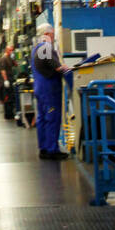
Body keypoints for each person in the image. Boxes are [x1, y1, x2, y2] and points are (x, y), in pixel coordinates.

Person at [32, 19, 68, 160]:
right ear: (47, 34)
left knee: (42, 119)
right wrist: (67, 68)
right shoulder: (45, 47)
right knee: (52, 118)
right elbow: (56, 66)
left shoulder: (36, 48)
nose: (53, 37)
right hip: (49, 89)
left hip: (40, 89)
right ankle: (52, 149)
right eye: (52, 35)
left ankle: (44, 148)